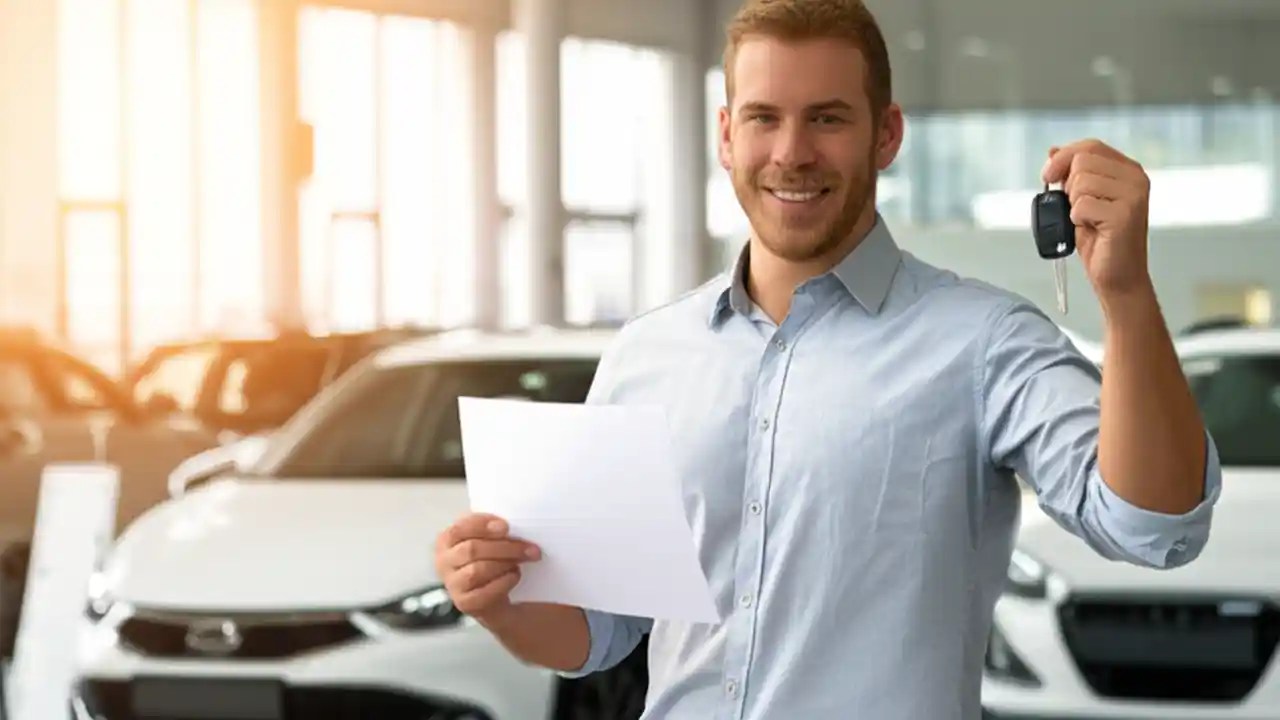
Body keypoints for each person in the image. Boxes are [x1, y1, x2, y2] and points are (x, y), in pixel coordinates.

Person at [434, 0, 1222, 717]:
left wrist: (1125, 299)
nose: (791, 152)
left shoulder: (983, 342)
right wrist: (500, 601)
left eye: (828, 119)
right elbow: (599, 632)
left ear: (886, 134)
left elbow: (1153, 528)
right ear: (725, 135)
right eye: (764, 117)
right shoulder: (648, 354)